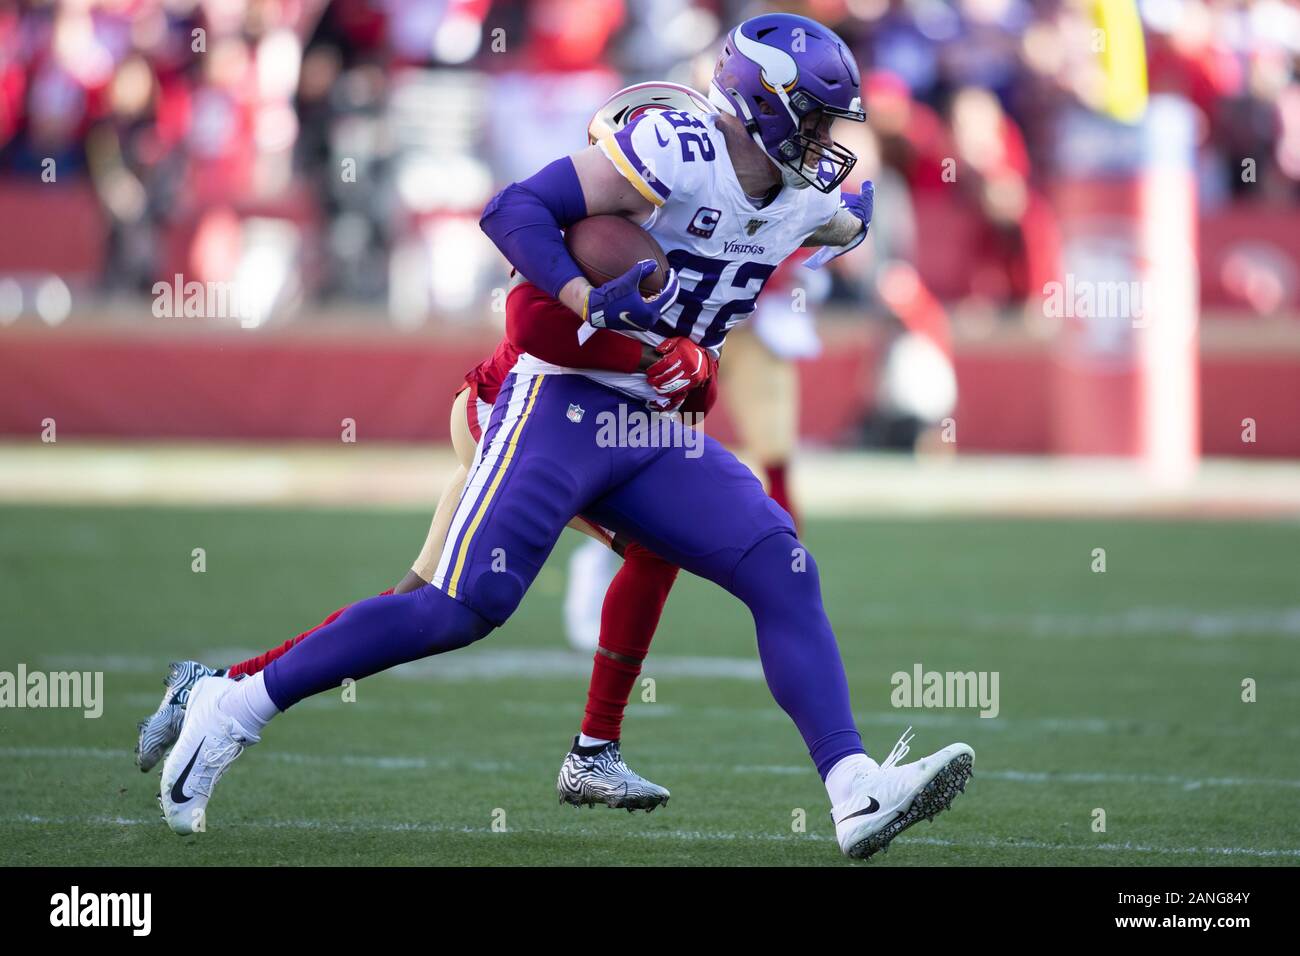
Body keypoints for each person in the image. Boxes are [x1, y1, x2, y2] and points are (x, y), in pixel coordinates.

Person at [158, 14, 974, 860]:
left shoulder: (801, 193)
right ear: (758, 102)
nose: (823, 141)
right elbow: (513, 210)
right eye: (810, 117)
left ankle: (853, 790)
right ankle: (235, 705)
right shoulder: (674, 149)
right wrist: (589, 299)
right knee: (457, 609)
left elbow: (832, 221)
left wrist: (855, 221)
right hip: (561, 405)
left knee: (782, 563)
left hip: (651, 428)